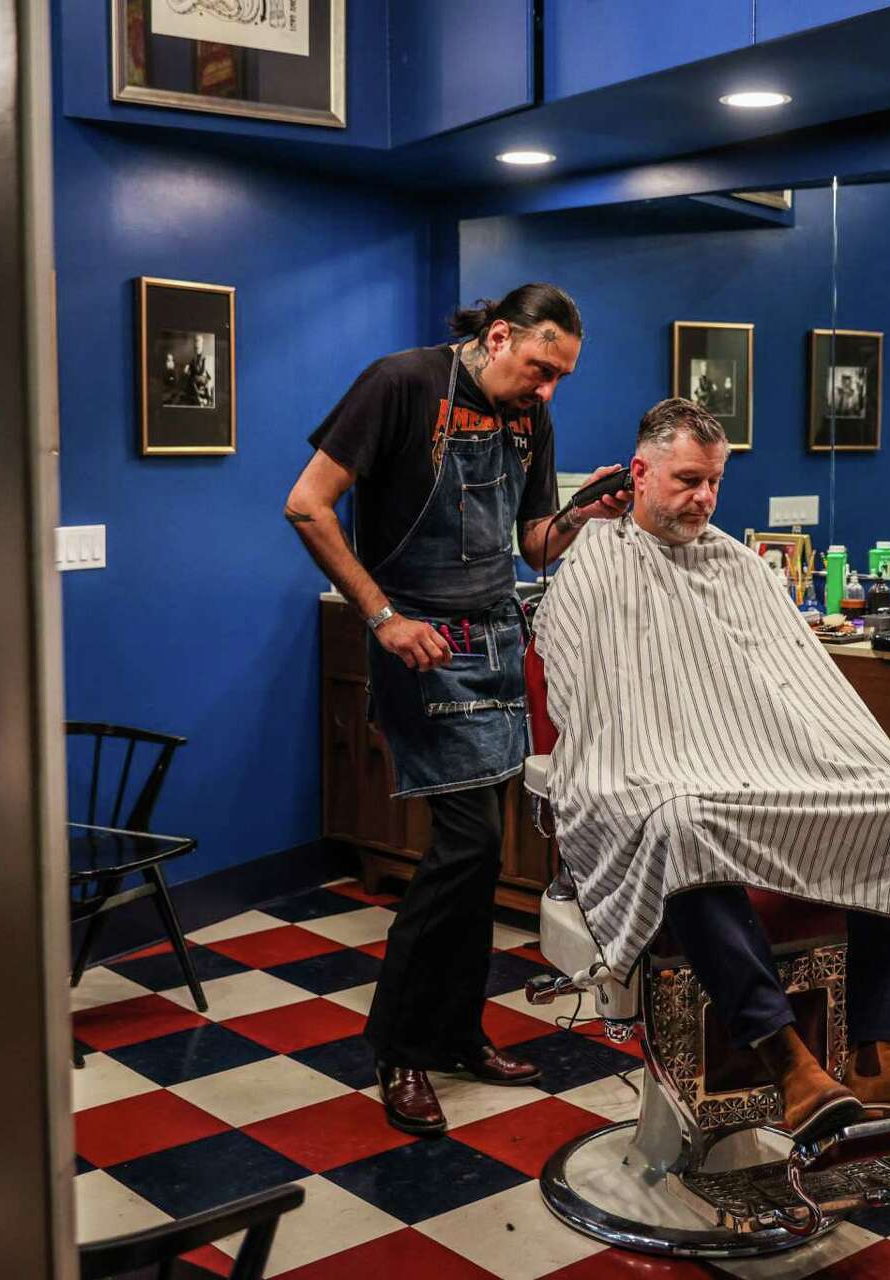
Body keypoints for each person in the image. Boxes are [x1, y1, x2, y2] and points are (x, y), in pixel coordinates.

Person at [536, 398, 890, 1147]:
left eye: (716, 482)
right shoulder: (595, 563)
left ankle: (885, 1053)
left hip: (750, 770)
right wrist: (669, 760)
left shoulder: (736, 565)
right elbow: (595, 700)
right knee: (680, 821)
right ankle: (788, 1063)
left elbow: (787, 684)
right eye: (689, 479)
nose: (705, 498)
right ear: (641, 472)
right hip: (643, 775)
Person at [283, 283, 632, 1137]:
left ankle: (457, 1033)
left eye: (561, 379)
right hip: (419, 644)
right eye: (540, 368)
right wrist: (383, 618)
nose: (547, 390)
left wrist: (589, 512)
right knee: (466, 845)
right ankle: (398, 1048)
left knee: (476, 859)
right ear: (500, 336)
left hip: (495, 642)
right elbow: (306, 503)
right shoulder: (399, 384)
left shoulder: (530, 418)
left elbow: (534, 544)